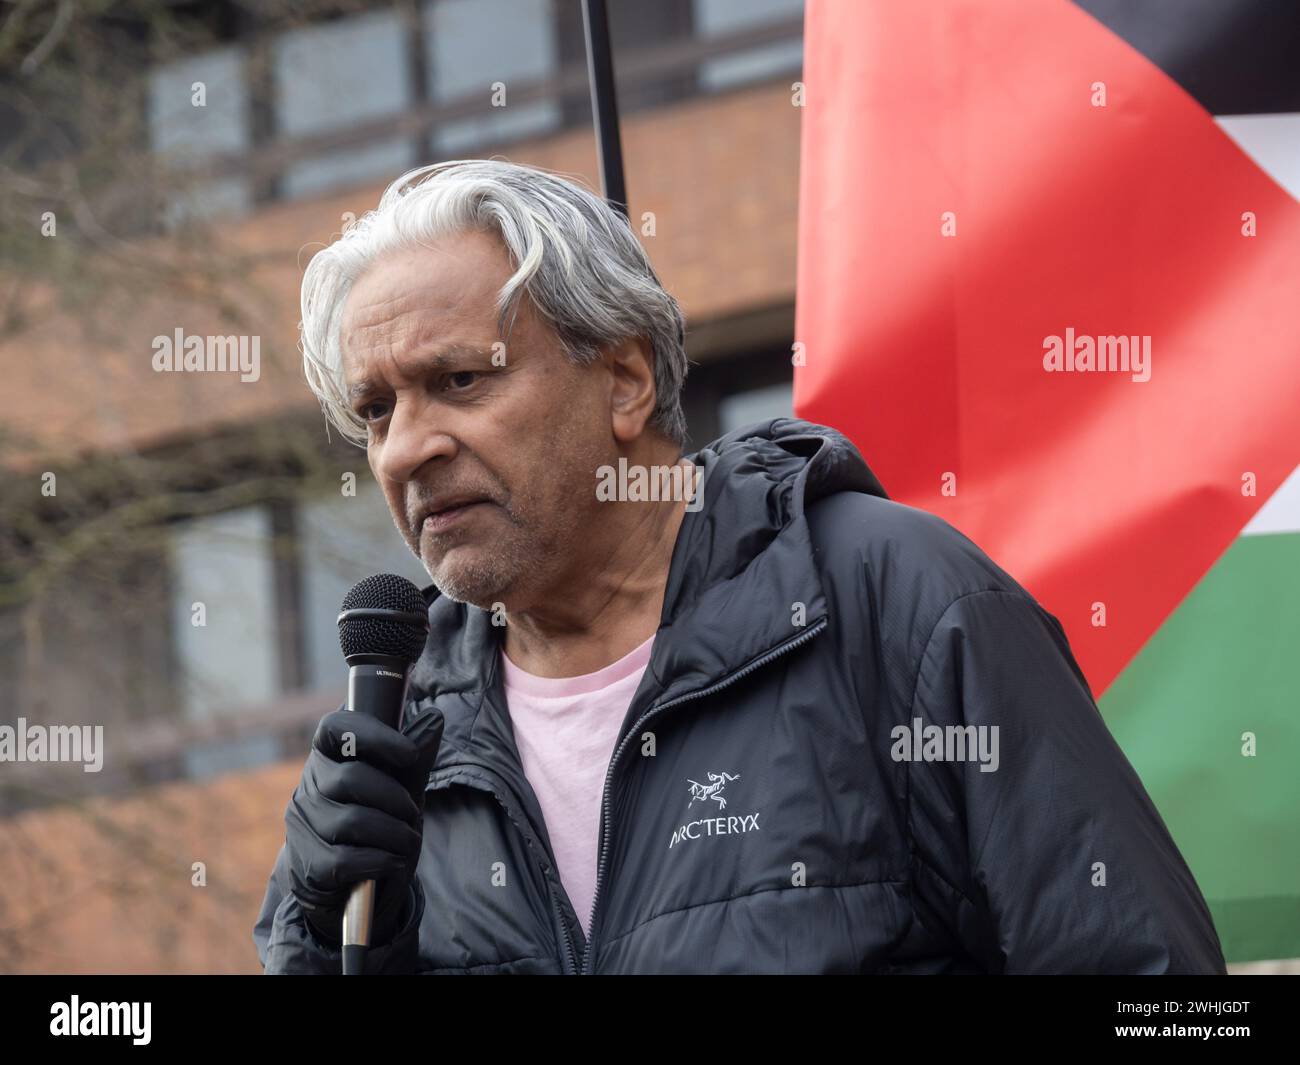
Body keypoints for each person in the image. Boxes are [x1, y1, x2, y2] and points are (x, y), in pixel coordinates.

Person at [252, 159, 1226, 974]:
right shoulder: (399, 737)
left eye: (458, 380)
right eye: (376, 411)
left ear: (624, 380)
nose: (402, 450)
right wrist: (315, 924)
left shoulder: (901, 606)